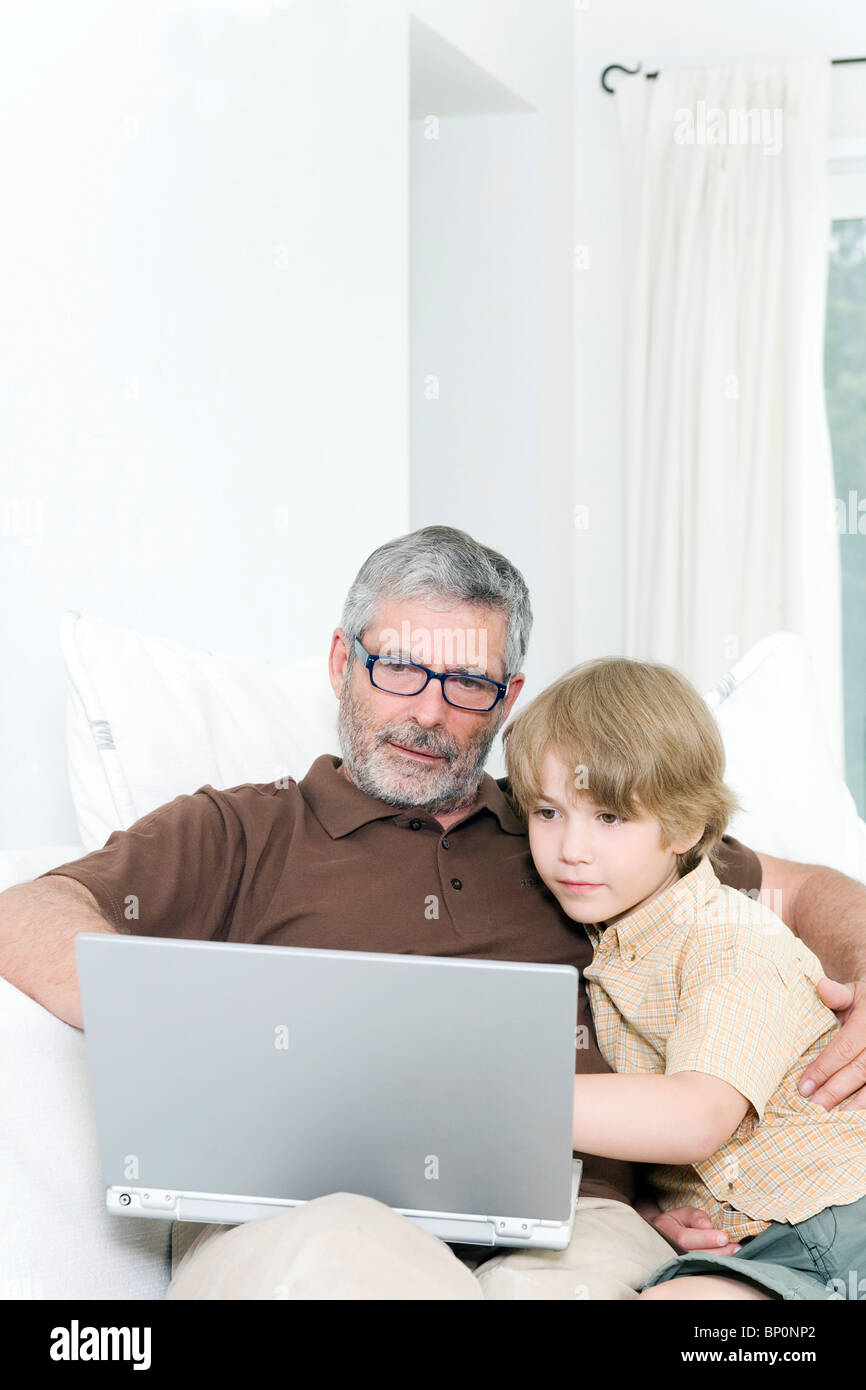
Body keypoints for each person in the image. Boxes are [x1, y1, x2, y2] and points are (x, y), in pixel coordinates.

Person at [1, 526, 865, 1299]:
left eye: (467, 683)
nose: (427, 710)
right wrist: (184, 1019)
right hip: (314, 1207)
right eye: (400, 668)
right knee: (345, 1267)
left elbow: (801, 890)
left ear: (510, 696)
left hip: (571, 1222)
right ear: (343, 663)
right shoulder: (242, 828)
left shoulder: (574, 838)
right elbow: (29, 912)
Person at [502, 655, 866, 1301]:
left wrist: (493, 1096)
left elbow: (695, 1116)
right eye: (548, 812)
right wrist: (645, 1210)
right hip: (756, 1243)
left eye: (609, 817)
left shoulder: (727, 935)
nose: (572, 849)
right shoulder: (611, 941)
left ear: (687, 827)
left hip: (843, 1207)